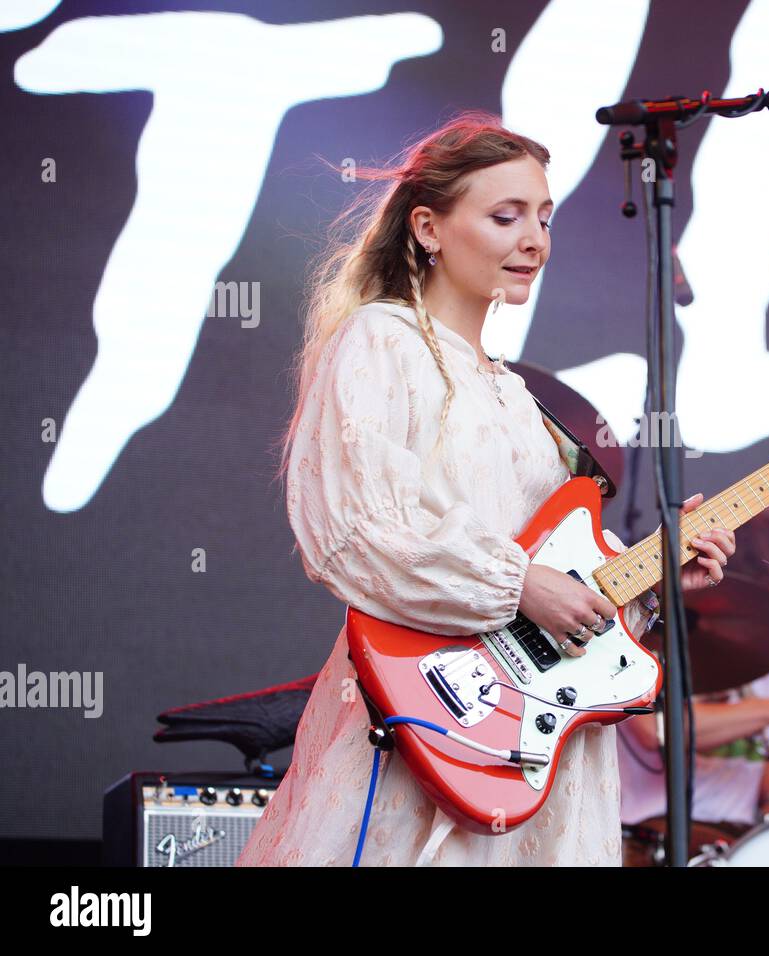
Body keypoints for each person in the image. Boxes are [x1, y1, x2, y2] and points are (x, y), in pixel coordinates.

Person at [236, 111, 735, 867]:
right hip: (429, 718)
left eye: (543, 217)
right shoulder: (383, 341)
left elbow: (549, 588)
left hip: (531, 737)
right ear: (429, 227)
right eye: (506, 216)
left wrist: (653, 576)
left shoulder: (516, 400)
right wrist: (516, 583)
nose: (535, 239)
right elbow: (355, 531)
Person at [617, 510, 769, 863]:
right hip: (645, 839)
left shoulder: (760, 671)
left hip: (733, 845)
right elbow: (655, 730)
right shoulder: (640, 648)